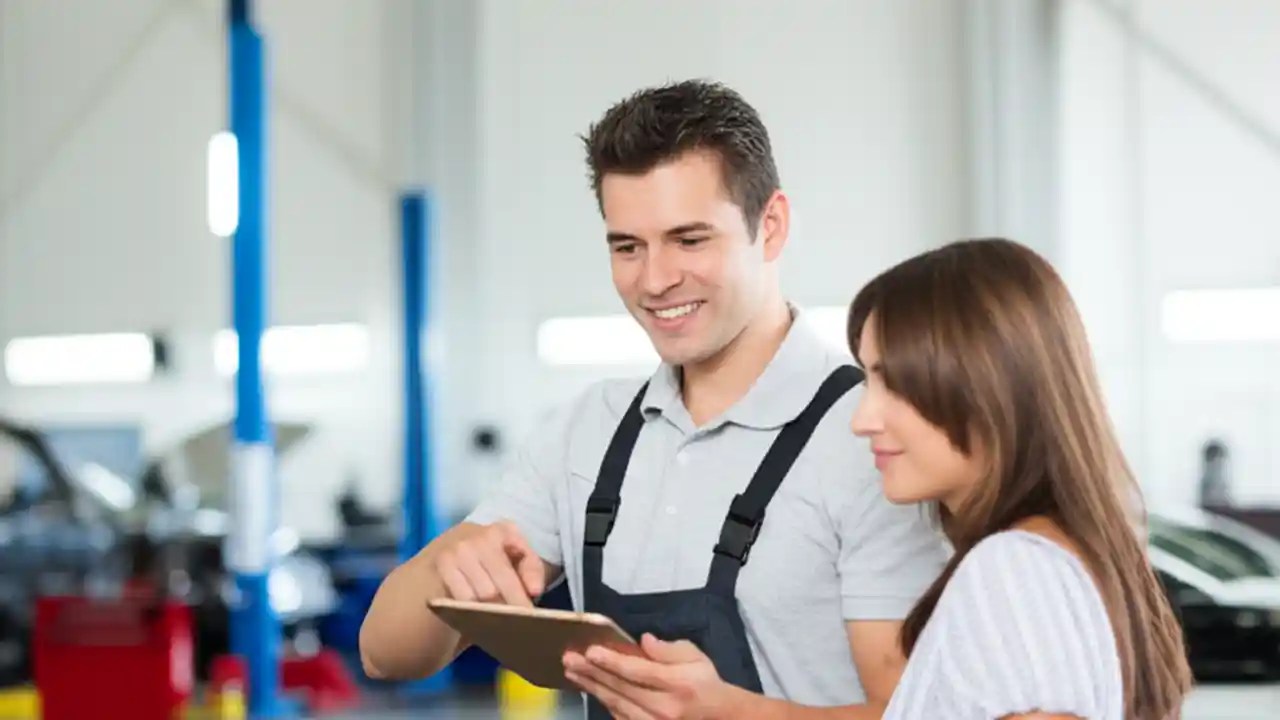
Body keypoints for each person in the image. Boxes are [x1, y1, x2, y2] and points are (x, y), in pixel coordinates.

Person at [359, 79, 948, 718]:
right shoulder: (588, 432)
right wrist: (450, 568)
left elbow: (916, 711)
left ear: (770, 226)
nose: (657, 280)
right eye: (627, 247)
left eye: (690, 240)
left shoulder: (871, 435)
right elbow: (385, 656)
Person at [846, 238, 1193, 719]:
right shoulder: (1057, 556)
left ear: (988, 386)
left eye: (896, 383)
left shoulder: (1011, 568)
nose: (862, 420)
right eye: (868, 381)